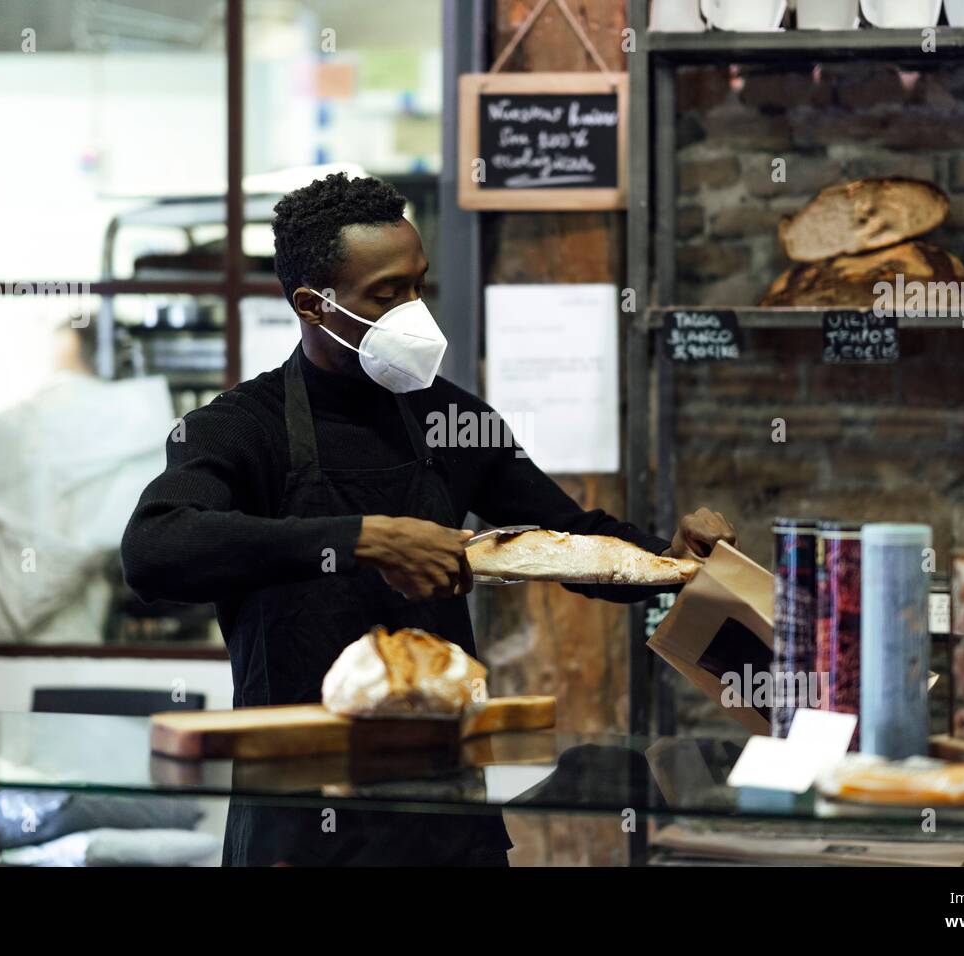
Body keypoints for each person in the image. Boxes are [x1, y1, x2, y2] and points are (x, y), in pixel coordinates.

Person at [121, 173, 737, 866]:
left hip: (450, 821)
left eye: (417, 285)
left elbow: (570, 538)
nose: (413, 310)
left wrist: (671, 560)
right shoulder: (240, 428)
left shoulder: (450, 418)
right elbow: (154, 549)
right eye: (385, 295)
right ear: (312, 305)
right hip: (298, 826)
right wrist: (362, 539)